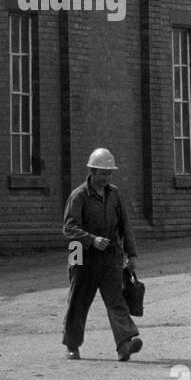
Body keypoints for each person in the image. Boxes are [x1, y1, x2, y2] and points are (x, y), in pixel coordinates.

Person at [62, 147, 141, 361]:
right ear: (92, 171)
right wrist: (91, 240)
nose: (106, 178)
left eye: (109, 173)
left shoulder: (114, 194)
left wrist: (131, 255)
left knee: (116, 300)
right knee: (78, 300)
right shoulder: (78, 196)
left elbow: (126, 225)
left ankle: (125, 344)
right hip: (80, 253)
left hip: (110, 254)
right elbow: (69, 228)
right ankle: (72, 345)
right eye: (103, 173)